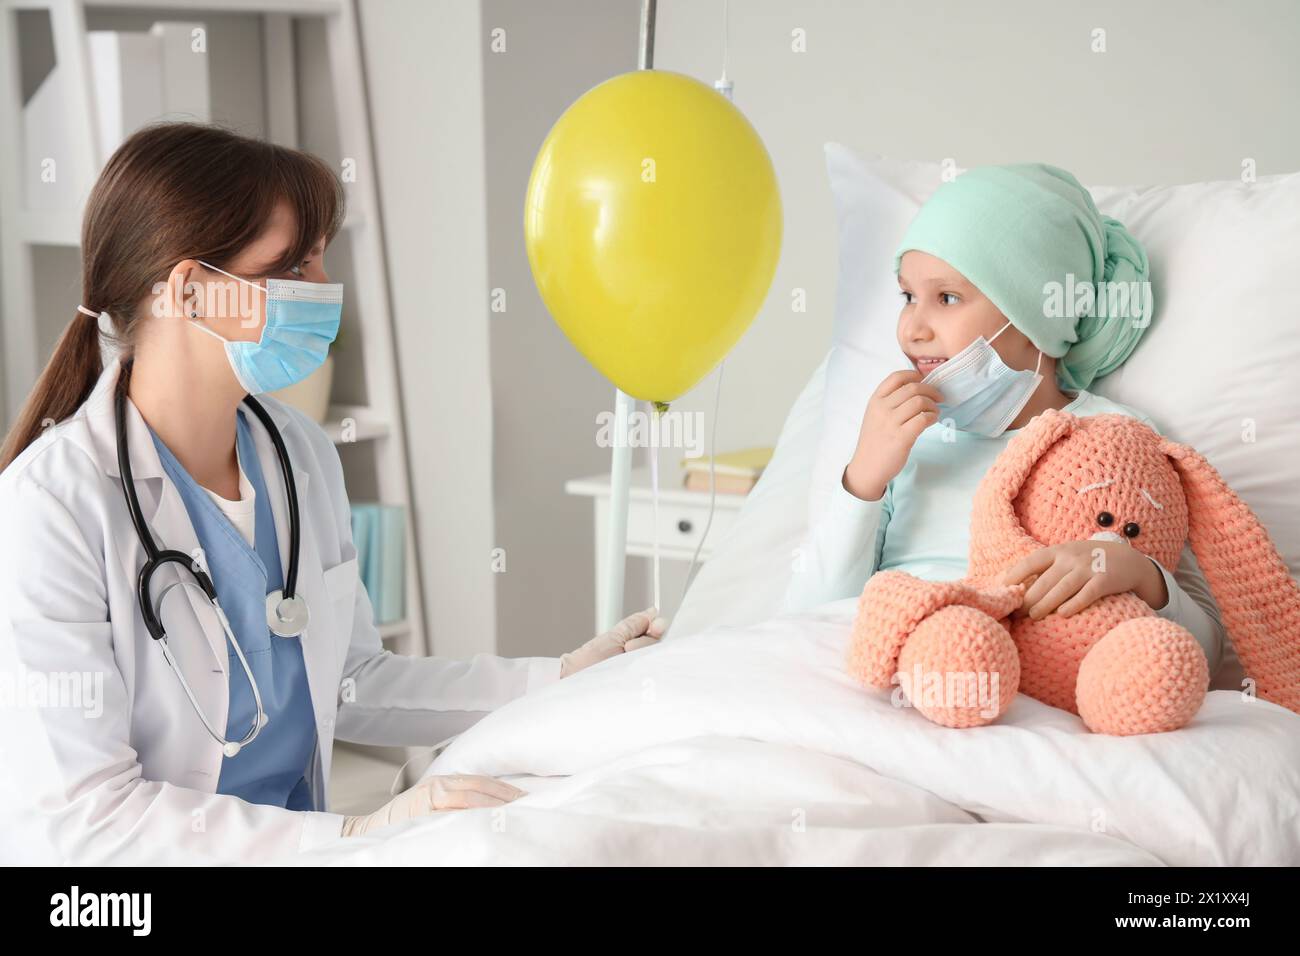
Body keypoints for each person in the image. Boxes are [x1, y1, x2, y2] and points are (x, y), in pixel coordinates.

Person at [0, 122, 662, 864]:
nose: (323, 292)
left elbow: (351, 680)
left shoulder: (298, 454)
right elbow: (89, 818)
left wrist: (557, 678)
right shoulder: (50, 508)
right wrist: (353, 831)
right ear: (190, 293)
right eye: (293, 267)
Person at [784, 163, 1225, 675]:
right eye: (908, 296)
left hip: (1029, 682)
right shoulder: (905, 442)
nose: (912, 329)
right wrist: (864, 478)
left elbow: (1210, 651)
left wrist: (1138, 574)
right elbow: (804, 619)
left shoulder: (1118, 440)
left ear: (1037, 314)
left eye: (947, 298)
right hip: (899, 660)